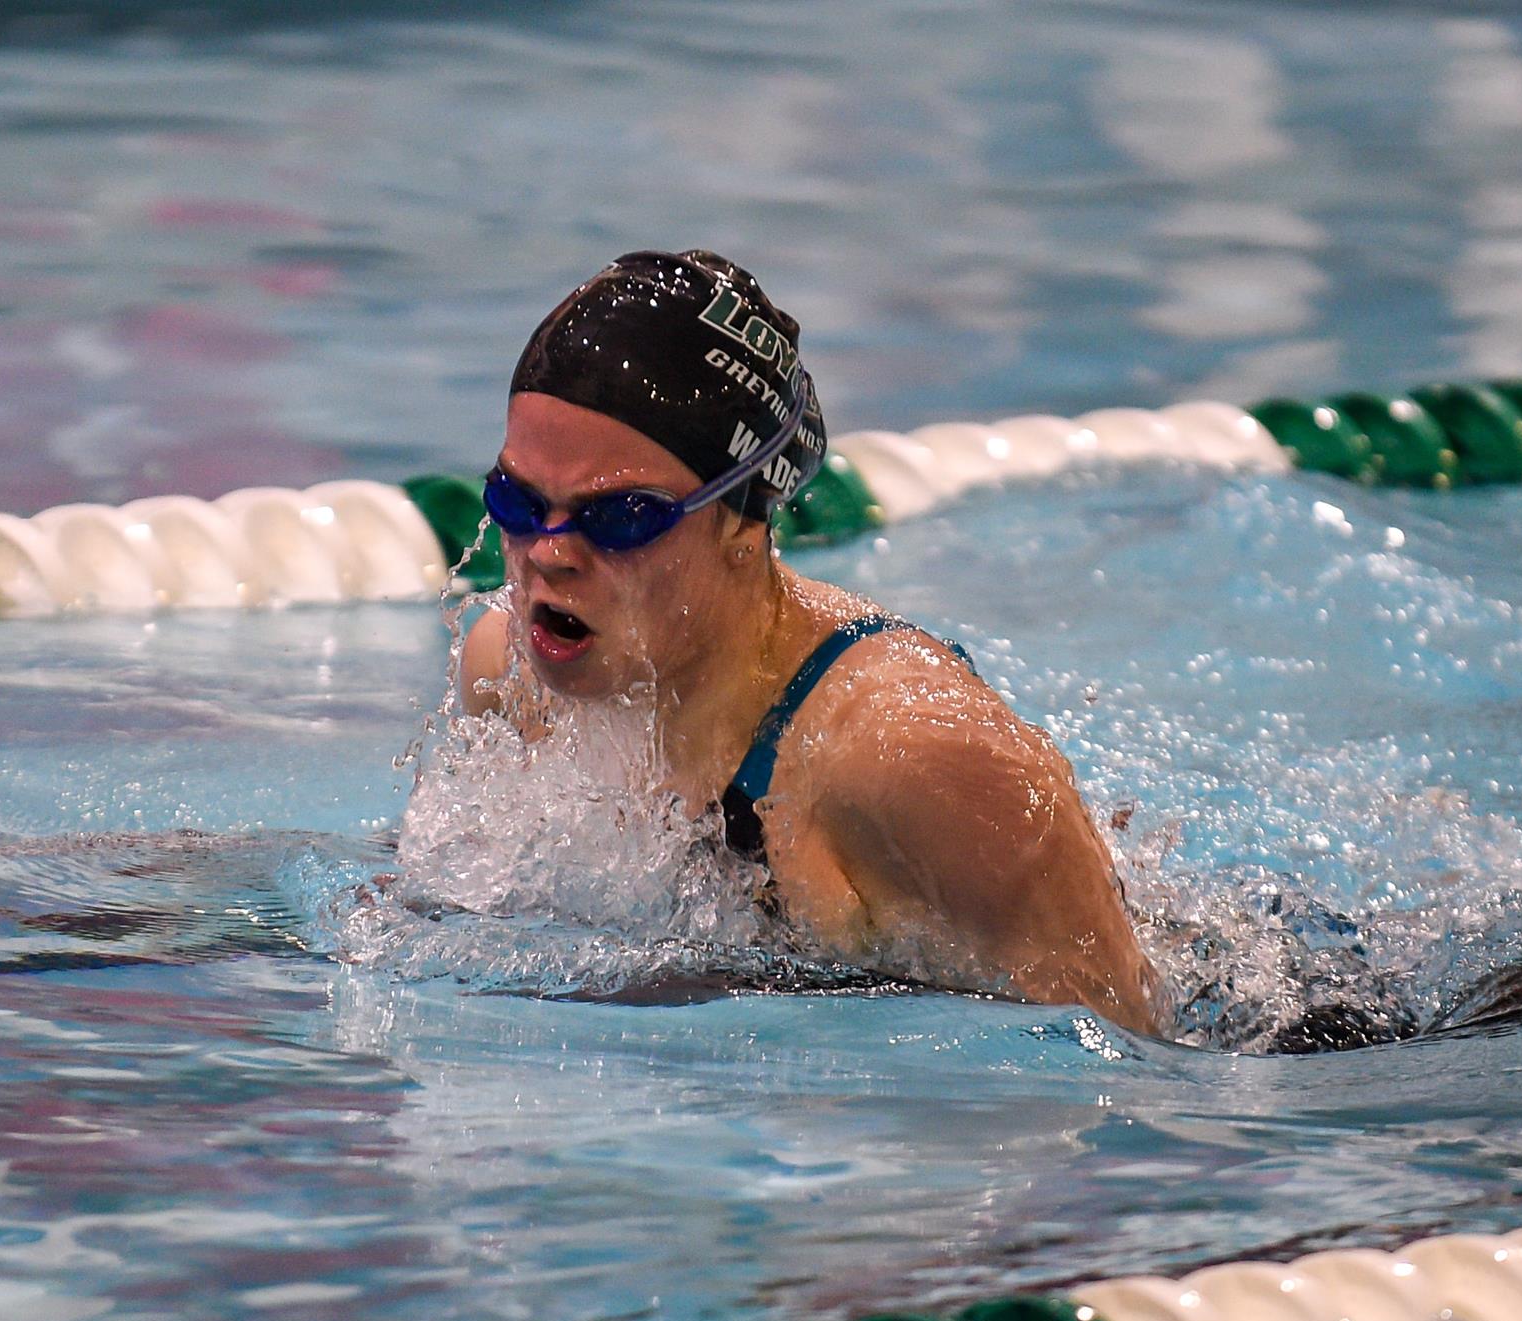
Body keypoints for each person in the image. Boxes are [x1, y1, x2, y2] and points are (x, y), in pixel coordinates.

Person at [458, 249, 1159, 1032]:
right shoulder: (508, 677)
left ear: (744, 520)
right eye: (517, 501)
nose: (549, 552)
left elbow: (1130, 1061)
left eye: (620, 517)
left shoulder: (905, 758)